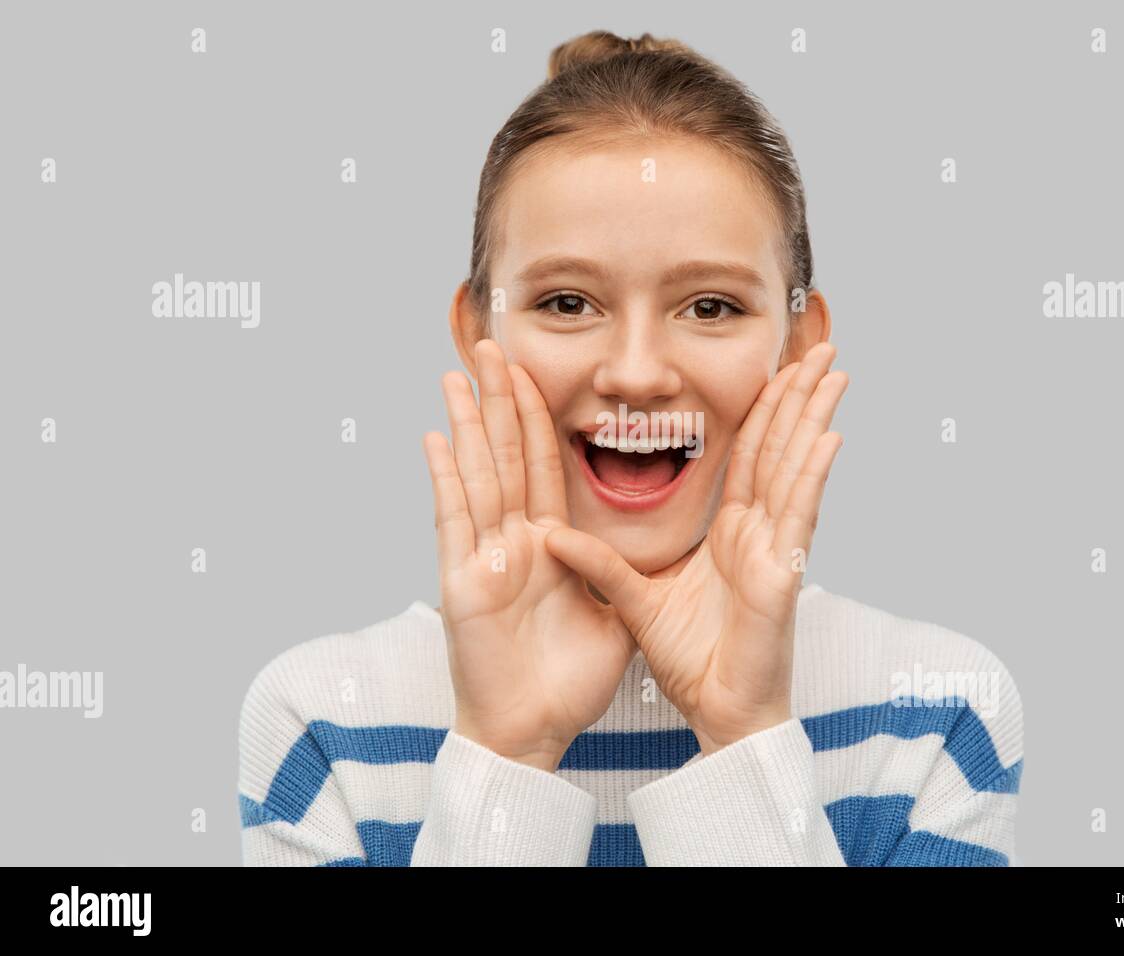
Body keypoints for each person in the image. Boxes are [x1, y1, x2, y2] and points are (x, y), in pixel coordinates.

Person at [238, 29, 1024, 866]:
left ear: (798, 342)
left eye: (711, 307)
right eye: (569, 302)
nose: (638, 373)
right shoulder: (319, 722)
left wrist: (744, 736)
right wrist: (506, 751)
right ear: (476, 333)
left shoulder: (937, 715)